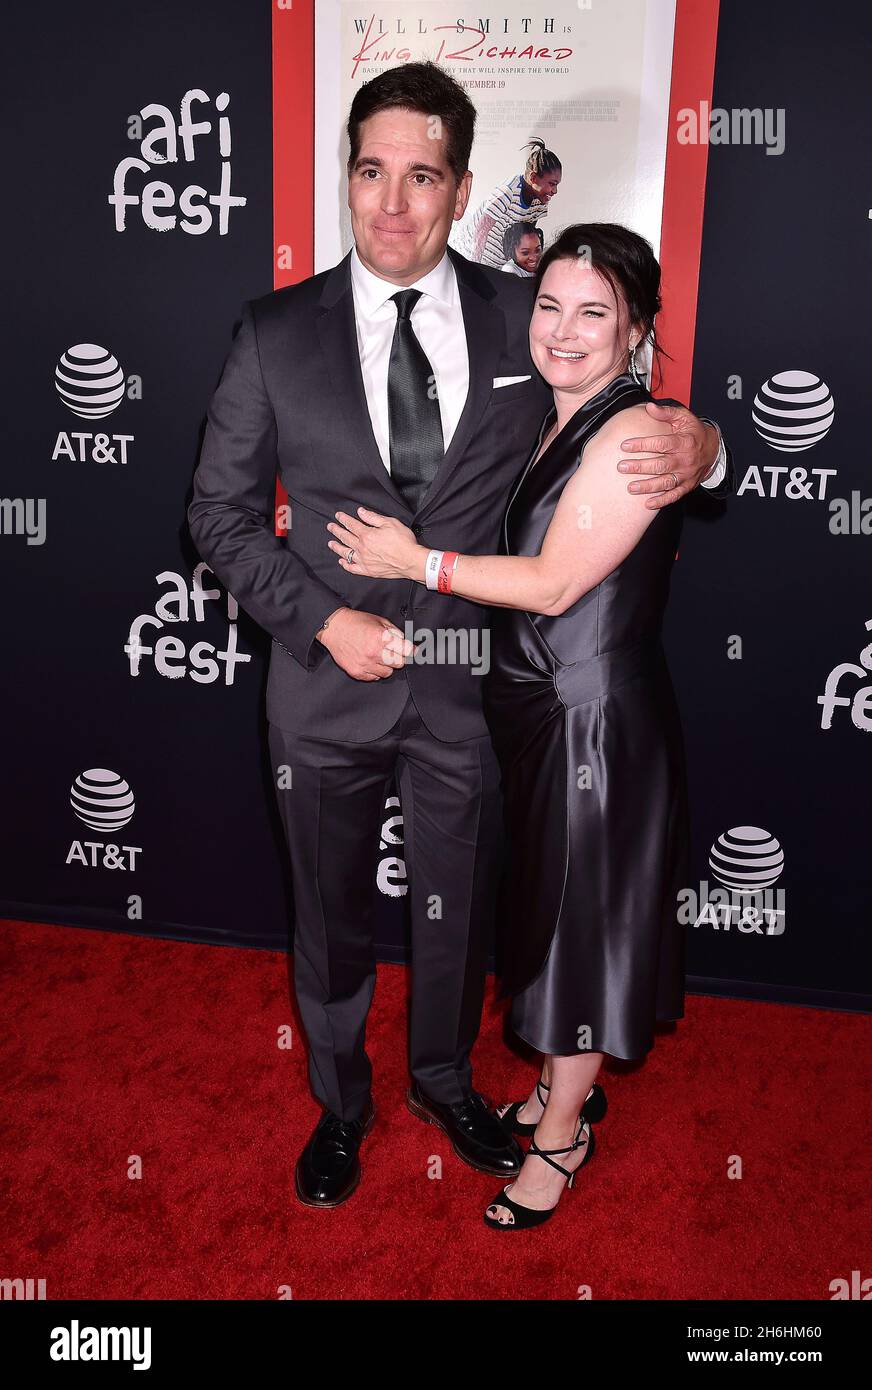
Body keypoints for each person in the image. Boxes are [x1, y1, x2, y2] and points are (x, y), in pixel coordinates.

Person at [188, 60, 730, 1211]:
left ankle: (442, 1079)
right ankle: (341, 1103)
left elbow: (609, 401)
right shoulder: (272, 333)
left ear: (460, 186)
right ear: (345, 178)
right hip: (320, 690)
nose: (392, 203)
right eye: (370, 171)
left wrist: (706, 444)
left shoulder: (521, 316)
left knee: (460, 916)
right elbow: (217, 515)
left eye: (421, 176)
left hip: (468, 694)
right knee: (328, 920)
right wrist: (322, 618)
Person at [326, 222, 717, 1229]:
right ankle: (554, 1089)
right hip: (542, 713)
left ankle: (561, 1138)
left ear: (637, 328)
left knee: (581, 933)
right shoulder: (553, 413)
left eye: (594, 312)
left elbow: (549, 585)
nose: (563, 329)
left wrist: (413, 562)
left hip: (595, 726)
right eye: (550, 305)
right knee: (556, 915)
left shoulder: (632, 433)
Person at [450, 138, 561, 267]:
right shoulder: (507, 193)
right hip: (468, 257)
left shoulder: (540, 202)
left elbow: (525, 236)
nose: (555, 191)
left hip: (494, 265)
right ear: (533, 178)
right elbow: (481, 232)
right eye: (552, 184)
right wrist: (474, 269)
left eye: (557, 185)